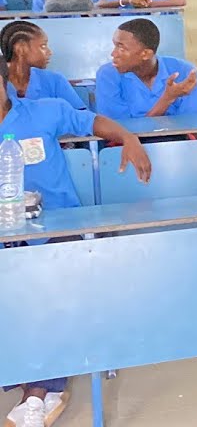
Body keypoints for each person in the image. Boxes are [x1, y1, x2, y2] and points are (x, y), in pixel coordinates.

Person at [0, 57, 153, 427]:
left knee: (47, 295)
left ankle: (37, 394)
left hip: (57, 230)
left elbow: (92, 122)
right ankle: (37, 383)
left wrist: (128, 137)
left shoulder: (45, 111)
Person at [95, 18, 197, 119]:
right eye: (115, 45)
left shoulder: (183, 71)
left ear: (145, 54)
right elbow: (119, 132)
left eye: (121, 48)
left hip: (180, 142)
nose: (113, 54)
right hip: (128, 143)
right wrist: (167, 99)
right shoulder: (107, 75)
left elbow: (196, 124)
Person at [1, 21, 86, 108]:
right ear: (21, 48)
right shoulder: (2, 83)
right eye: (43, 46)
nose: (50, 52)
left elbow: (82, 118)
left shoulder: (55, 80)